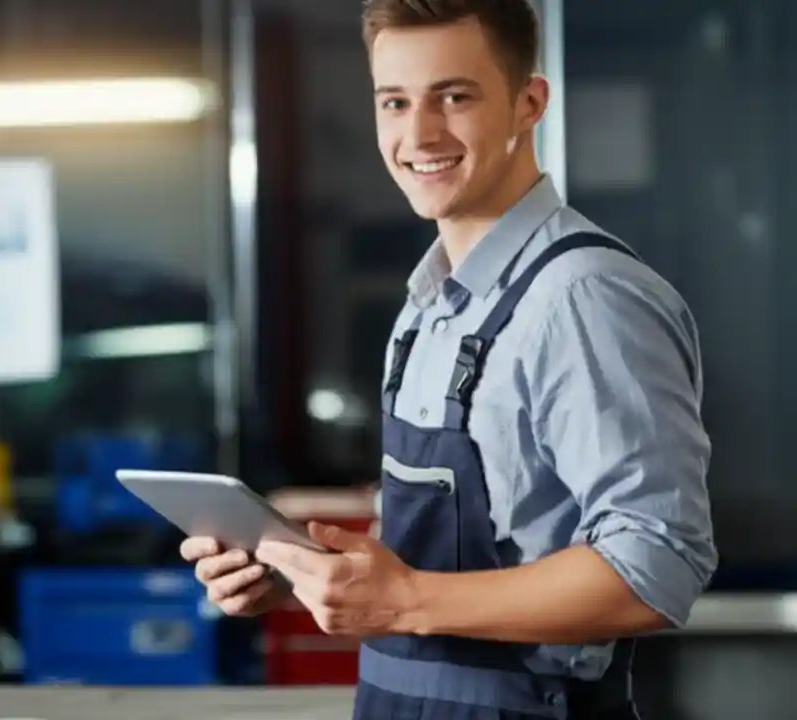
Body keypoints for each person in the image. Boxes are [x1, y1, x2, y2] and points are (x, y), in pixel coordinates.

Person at [180, 1, 717, 717]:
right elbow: (452, 541)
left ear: (529, 103)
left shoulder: (582, 298)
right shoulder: (430, 305)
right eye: (394, 102)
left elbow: (658, 564)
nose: (418, 134)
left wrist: (404, 600)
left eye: (453, 97)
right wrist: (296, 572)